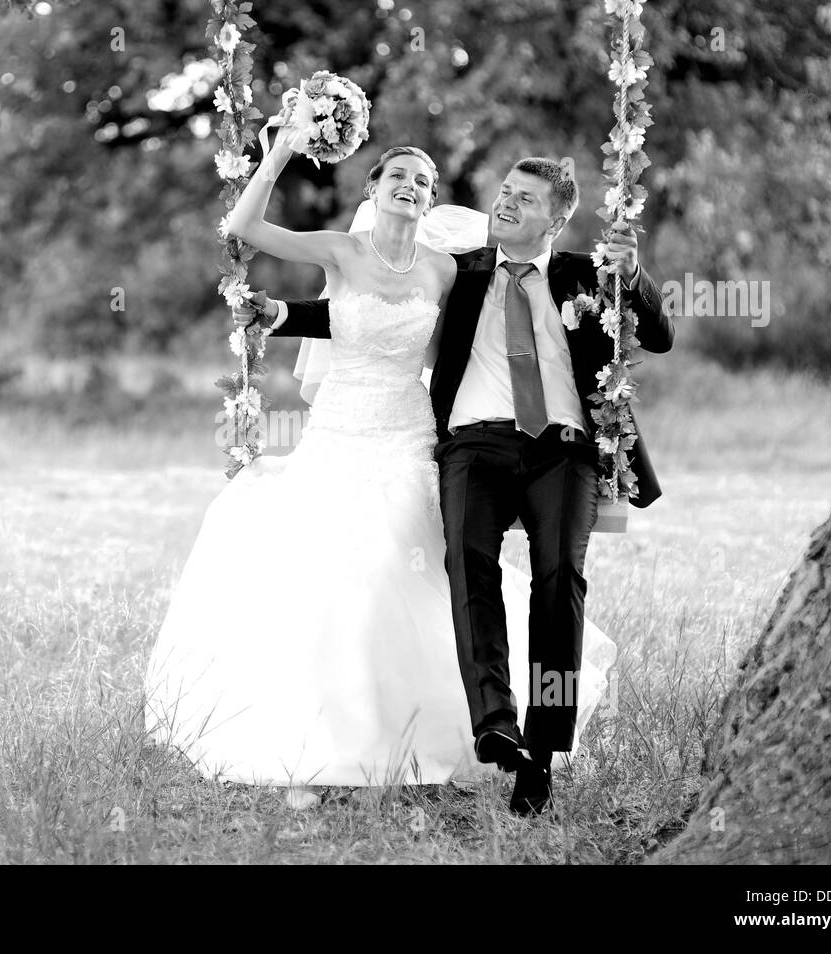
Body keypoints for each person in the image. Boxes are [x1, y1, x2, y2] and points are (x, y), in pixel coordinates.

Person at [144, 123, 621, 813]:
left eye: (425, 181)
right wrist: (281, 153)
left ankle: (510, 744)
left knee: (477, 575)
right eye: (398, 175)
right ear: (373, 189)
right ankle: (340, 736)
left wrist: (625, 275)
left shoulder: (456, 269)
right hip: (356, 432)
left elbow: (626, 325)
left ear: (433, 203)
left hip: (451, 438)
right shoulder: (366, 253)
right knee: (354, 577)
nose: (411, 186)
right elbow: (288, 263)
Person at [253, 156, 675, 814]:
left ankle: (542, 745)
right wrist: (277, 313)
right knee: (467, 561)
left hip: (563, 448)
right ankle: (494, 722)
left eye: (525, 199)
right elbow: (373, 311)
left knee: (560, 574)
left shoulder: (581, 276)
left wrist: (635, 278)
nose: (506, 204)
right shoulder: (461, 270)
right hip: (474, 444)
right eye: (504, 193)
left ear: (558, 218)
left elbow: (658, 334)